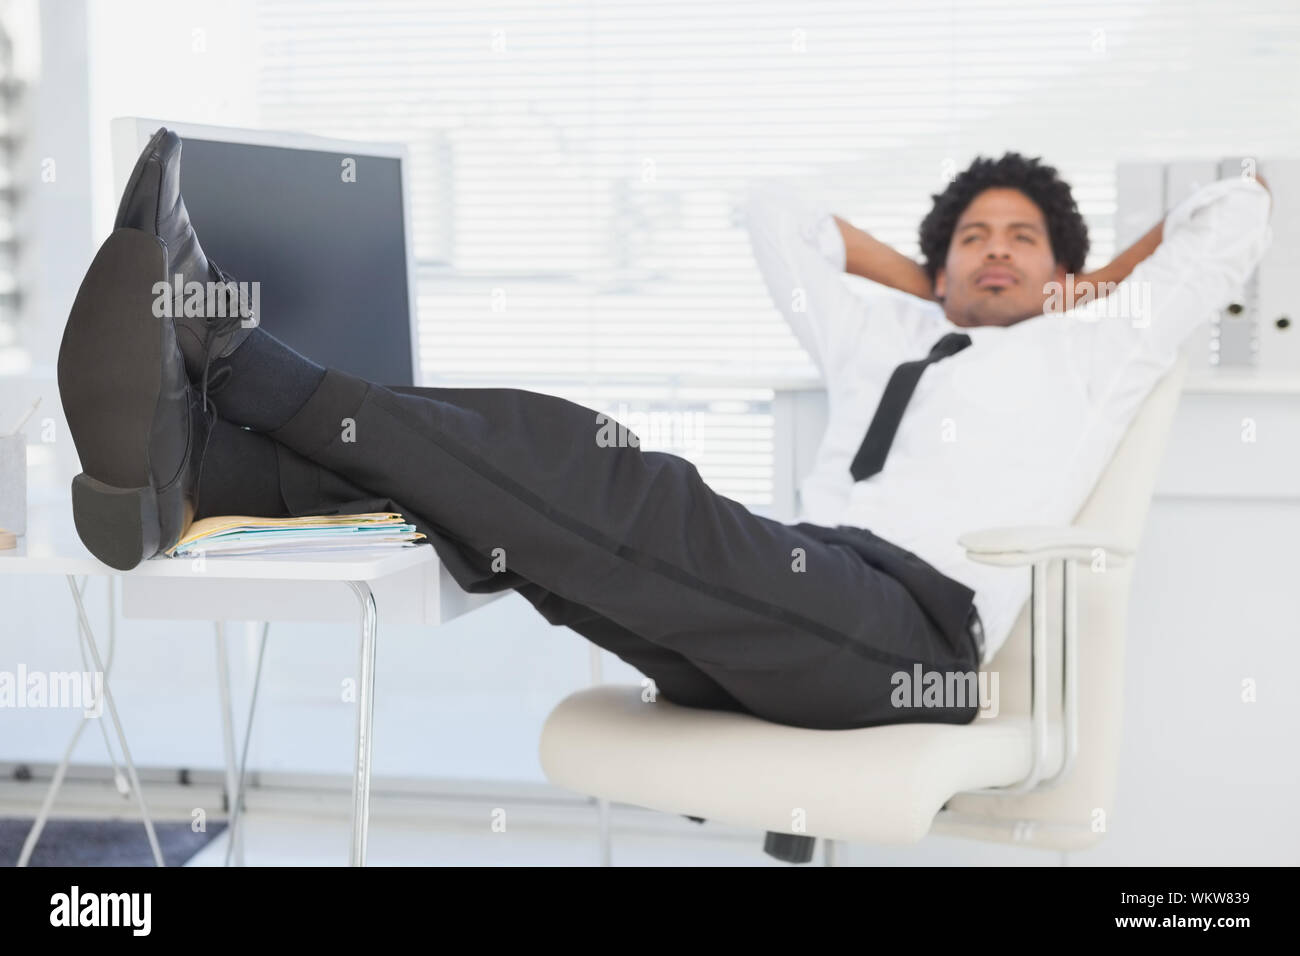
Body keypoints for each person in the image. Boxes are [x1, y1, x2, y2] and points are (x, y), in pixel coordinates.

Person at [55, 131, 1271, 731]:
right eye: (974, 237)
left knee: (609, 476)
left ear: (1065, 269)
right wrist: (925, 284)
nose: (996, 251)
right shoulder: (885, 341)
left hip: (912, 635)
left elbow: (1237, 210)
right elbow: (773, 211)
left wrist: (1085, 286)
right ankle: (205, 465)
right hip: (791, 600)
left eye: (1022, 240)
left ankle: (237, 366)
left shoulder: (1094, 344)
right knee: (522, 521)